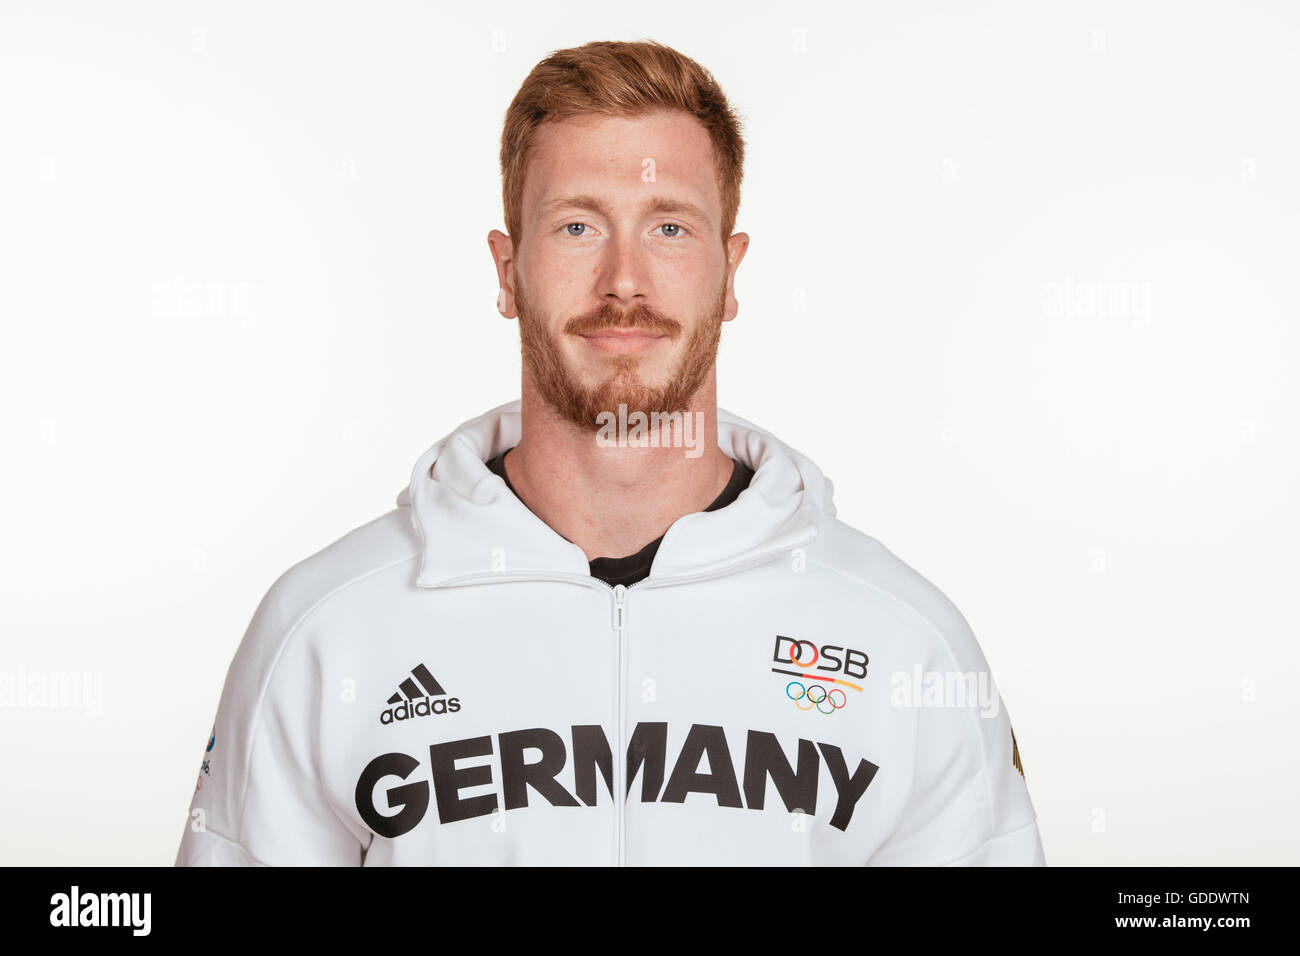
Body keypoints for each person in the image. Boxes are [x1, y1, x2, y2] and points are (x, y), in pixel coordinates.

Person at [175, 39, 1045, 866]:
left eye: (669, 228)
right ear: (507, 270)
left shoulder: (901, 639)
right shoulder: (327, 629)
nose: (623, 280)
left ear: (730, 272)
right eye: (578, 228)